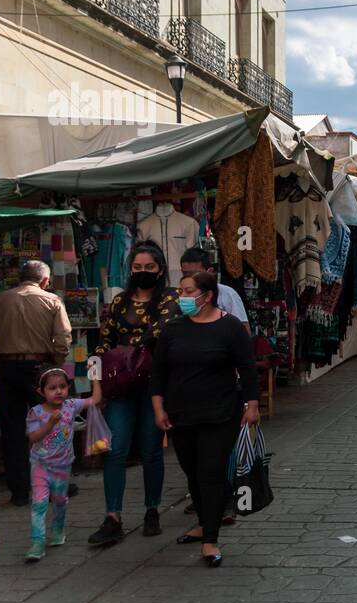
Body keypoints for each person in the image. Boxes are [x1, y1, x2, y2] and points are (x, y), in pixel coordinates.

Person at [151, 271, 260, 568]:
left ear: (207, 295)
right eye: (181, 292)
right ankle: (206, 518)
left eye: (188, 292)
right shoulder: (173, 329)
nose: (182, 297)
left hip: (221, 412)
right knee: (193, 472)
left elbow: (247, 368)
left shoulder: (230, 328)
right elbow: (159, 372)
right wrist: (158, 408)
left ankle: (210, 540)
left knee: (210, 471)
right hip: (181, 414)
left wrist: (252, 405)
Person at [89, 242, 180, 546]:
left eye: (149, 268)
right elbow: (100, 346)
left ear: (161, 269)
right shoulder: (118, 303)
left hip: (155, 388)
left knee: (152, 451)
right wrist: (96, 387)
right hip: (120, 387)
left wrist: (128, 349)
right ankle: (112, 516)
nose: (143, 273)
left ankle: (151, 510)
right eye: (137, 268)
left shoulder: (170, 298)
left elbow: (161, 331)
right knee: (115, 451)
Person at [0, 260, 73, 506]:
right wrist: (54, 365)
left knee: (13, 430)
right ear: (45, 281)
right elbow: (63, 339)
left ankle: (19, 491)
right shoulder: (52, 300)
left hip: (7, 367)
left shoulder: (0, 299)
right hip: (40, 368)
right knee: (49, 426)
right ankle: (51, 484)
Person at [25, 368, 100, 562]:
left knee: (59, 501)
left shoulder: (71, 406)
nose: (59, 391)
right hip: (40, 466)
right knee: (39, 503)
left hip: (63, 467)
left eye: (63, 387)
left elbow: (95, 400)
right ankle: (37, 542)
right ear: (41, 392)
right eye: (52, 388)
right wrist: (49, 424)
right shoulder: (36, 412)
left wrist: (95, 378)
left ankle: (58, 530)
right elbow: (33, 437)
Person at [179, 247, 249, 334]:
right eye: (185, 274)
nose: (190, 279)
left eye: (196, 274)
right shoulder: (181, 295)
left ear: (209, 271)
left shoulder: (227, 294)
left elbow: (244, 331)